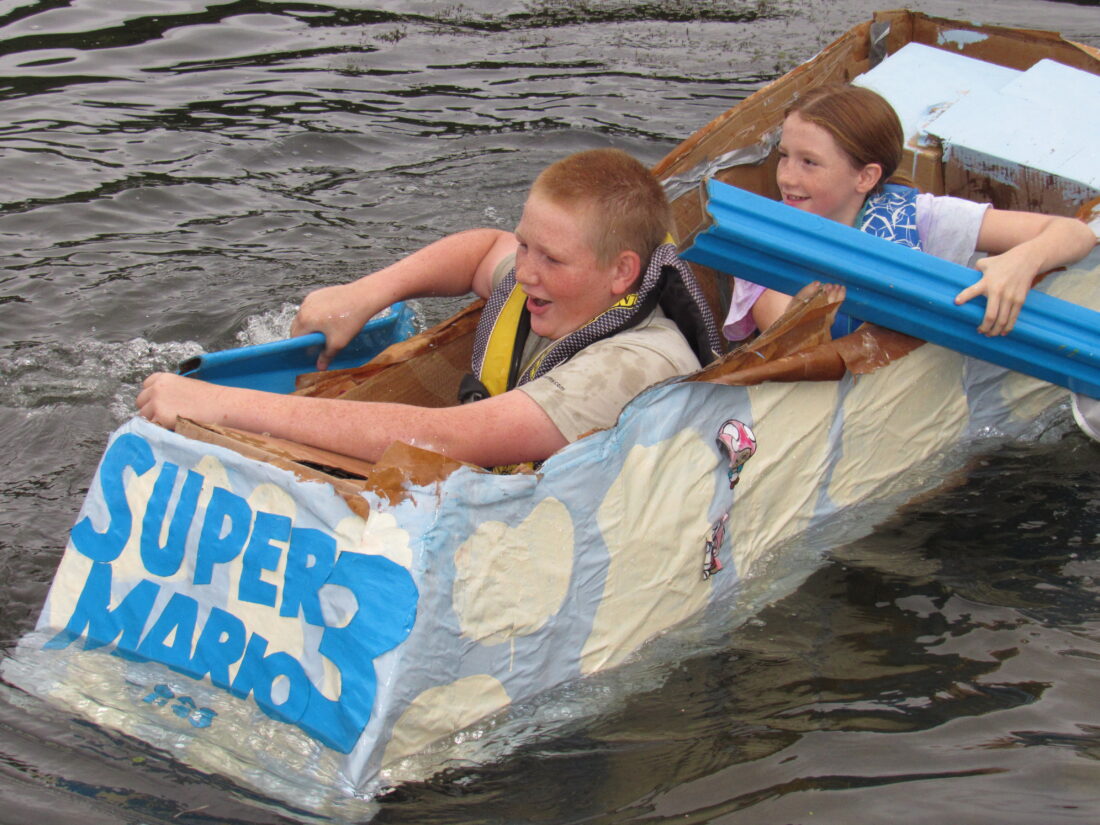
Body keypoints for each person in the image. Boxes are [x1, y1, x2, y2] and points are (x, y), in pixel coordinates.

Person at [138, 148, 722, 468]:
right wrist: (365, 294)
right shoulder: (561, 285)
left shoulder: (637, 365)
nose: (525, 272)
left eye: (551, 258)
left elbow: (452, 438)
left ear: (622, 272)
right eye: (526, 246)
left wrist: (221, 406)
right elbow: (483, 250)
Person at [722, 84, 1097, 343]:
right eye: (784, 156)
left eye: (809, 162)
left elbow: (1076, 234)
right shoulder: (761, 240)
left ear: (866, 177)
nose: (787, 177)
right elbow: (786, 343)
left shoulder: (921, 217)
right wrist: (808, 314)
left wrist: (1021, 262)